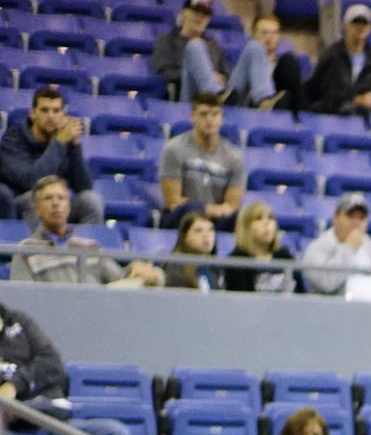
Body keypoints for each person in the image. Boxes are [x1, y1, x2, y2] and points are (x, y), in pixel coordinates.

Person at [12, 178, 163, 288]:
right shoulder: (26, 250)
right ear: (37, 209)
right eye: (48, 198)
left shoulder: (88, 247)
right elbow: (22, 295)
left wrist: (138, 271)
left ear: (69, 207)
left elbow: (118, 278)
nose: (55, 204)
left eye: (61, 198)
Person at [0, 86, 102, 227]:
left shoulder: (64, 138)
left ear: (63, 114)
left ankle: (83, 247)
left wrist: (74, 147)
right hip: (18, 204)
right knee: (38, 199)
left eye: (56, 111)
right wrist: (59, 142)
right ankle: (37, 248)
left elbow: (84, 186)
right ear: (32, 114)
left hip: (55, 203)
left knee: (91, 200)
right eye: (44, 110)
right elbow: (31, 182)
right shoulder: (14, 138)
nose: (51, 116)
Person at [301, 194, 371, 304]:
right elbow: (326, 284)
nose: (356, 223)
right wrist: (349, 247)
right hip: (335, 316)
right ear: (335, 218)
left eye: (361, 218)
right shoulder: (318, 248)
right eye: (350, 216)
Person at [158, 92, 246, 231]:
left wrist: (211, 212)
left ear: (222, 118)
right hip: (182, 220)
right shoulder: (174, 149)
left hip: (216, 222)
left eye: (215, 114)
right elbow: (172, 202)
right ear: (193, 117)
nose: (210, 120)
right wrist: (207, 209)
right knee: (192, 207)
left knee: (247, 217)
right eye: (203, 114)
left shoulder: (234, 156)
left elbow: (232, 206)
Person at [304, 5, 371, 121]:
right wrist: (357, 99)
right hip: (334, 109)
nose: (360, 27)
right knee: (354, 110)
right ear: (345, 25)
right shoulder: (332, 55)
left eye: (365, 23)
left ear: (370, 28)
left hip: (364, 110)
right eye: (356, 22)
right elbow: (321, 89)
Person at [151, 0, 227, 104]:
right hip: (186, 97)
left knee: (254, 47)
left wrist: (222, 79)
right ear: (183, 13)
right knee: (196, 44)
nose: (200, 17)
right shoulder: (166, 40)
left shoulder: (213, 45)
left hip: (216, 98)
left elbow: (227, 74)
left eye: (205, 14)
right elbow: (162, 73)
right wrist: (200, 74)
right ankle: (215, 97)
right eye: (196, 11)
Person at [226, 13, 304, 111]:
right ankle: (264, 100)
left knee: (289, 60)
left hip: (272, 110)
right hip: (240, 102)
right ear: (253, 34)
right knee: (256, 47)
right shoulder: (249, 53)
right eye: (264, 33)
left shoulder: (283, 67)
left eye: (274, 33)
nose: (269, 37)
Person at [223, 201, 299, 295]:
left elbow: (302, 294)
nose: (267, 223)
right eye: (259, 218)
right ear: (246, 226)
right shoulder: (236, 260)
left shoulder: (285, 256)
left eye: (270, 218)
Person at [163, 211, 223, 291]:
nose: (206, 235)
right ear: (184, 236)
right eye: (198, 230)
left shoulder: (215, 267)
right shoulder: (175, 265)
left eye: (210, 230)